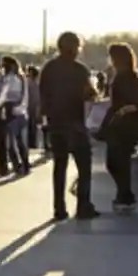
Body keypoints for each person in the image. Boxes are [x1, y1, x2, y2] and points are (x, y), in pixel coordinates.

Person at [40, 31, 99, 220]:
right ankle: (83, 206)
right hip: (76, 124)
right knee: (84, 167)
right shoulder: (80, 70)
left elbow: (43, 95)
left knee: (60, 166)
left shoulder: (48, 68)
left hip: (56, 123)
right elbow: (90, 94)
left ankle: (59, 208)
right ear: (76, 48)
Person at [99, 42, 138, 212]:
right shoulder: (121, 75)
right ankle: (125, 195)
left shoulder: (126, 77)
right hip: (121, 126)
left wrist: (121, 112)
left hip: (125, 127)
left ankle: (125, 197)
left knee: (117, 162)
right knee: (117, 163)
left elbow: (137, 103)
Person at [0, 56, 31, 176]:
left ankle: (22, 166)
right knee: (15, 142)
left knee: (16, 142)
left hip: (14, 110)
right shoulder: (14, 78)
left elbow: (23, 95)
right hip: (14, 110)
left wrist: (19, 108)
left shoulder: (16, 78)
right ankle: (21, 166)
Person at [24, 65, 43, 151]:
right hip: (31, 106)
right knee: (31, 126)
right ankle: (31, 143)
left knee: (32, 126)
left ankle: (31, 143)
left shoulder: (31, 82)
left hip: (32, 106)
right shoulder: (34, 82)